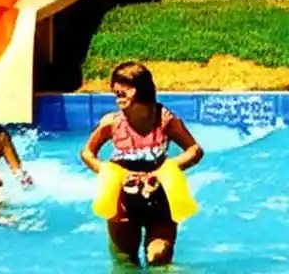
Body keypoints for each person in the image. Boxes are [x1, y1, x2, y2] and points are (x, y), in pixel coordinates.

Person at [81, 62, 204, 267]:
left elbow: (194, 150)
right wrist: (110, 173)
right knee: (126, 263)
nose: (117, 91)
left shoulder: (166, 120)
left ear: (142, 88)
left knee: (159, 258)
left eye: (125, 86)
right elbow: (87, 153)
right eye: (116, 88)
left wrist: (165, 170)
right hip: (124, 201)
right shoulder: (112, 123)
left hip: (159, 199)